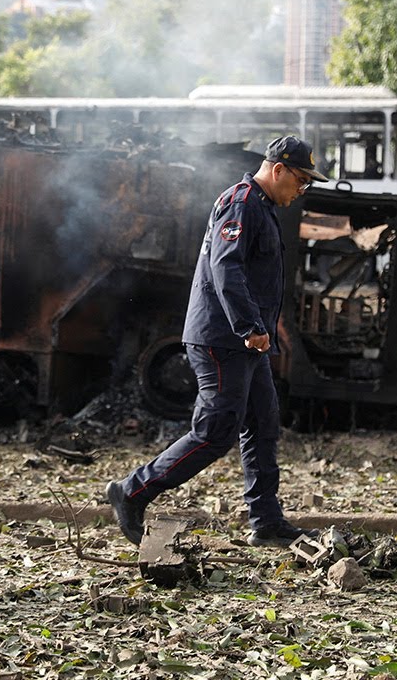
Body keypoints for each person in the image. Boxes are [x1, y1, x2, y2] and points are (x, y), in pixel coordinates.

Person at [105, 136, 327, 548]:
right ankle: (132, 491)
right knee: (214, 433)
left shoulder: (259, 206)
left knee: (262, 423)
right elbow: (226, 268)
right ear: (278, 170)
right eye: (301, 181)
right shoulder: (242, 202)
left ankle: (266, 522)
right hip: (225, 339)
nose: (302, 191)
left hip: (244, 341)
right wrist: (249, 326)